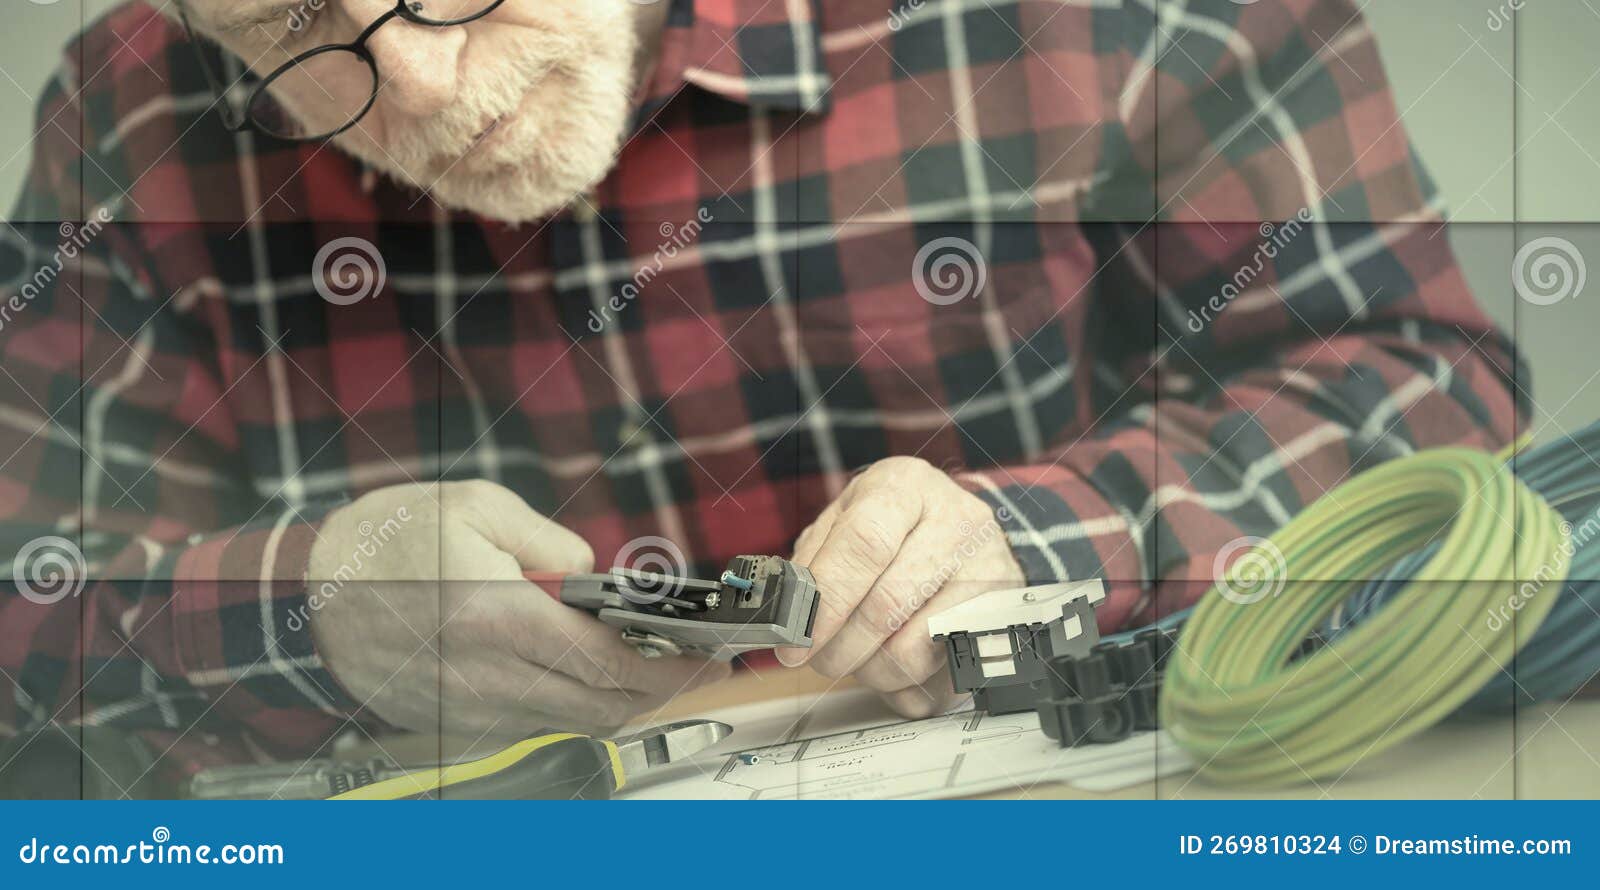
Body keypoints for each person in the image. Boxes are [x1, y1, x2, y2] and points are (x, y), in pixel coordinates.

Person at [0, 0, 1520, 779]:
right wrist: (309, 604)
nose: (425, 92)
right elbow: (27, 588)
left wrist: (1043, 539)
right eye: (287, 28)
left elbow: (1420, 376)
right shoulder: (130, 115)